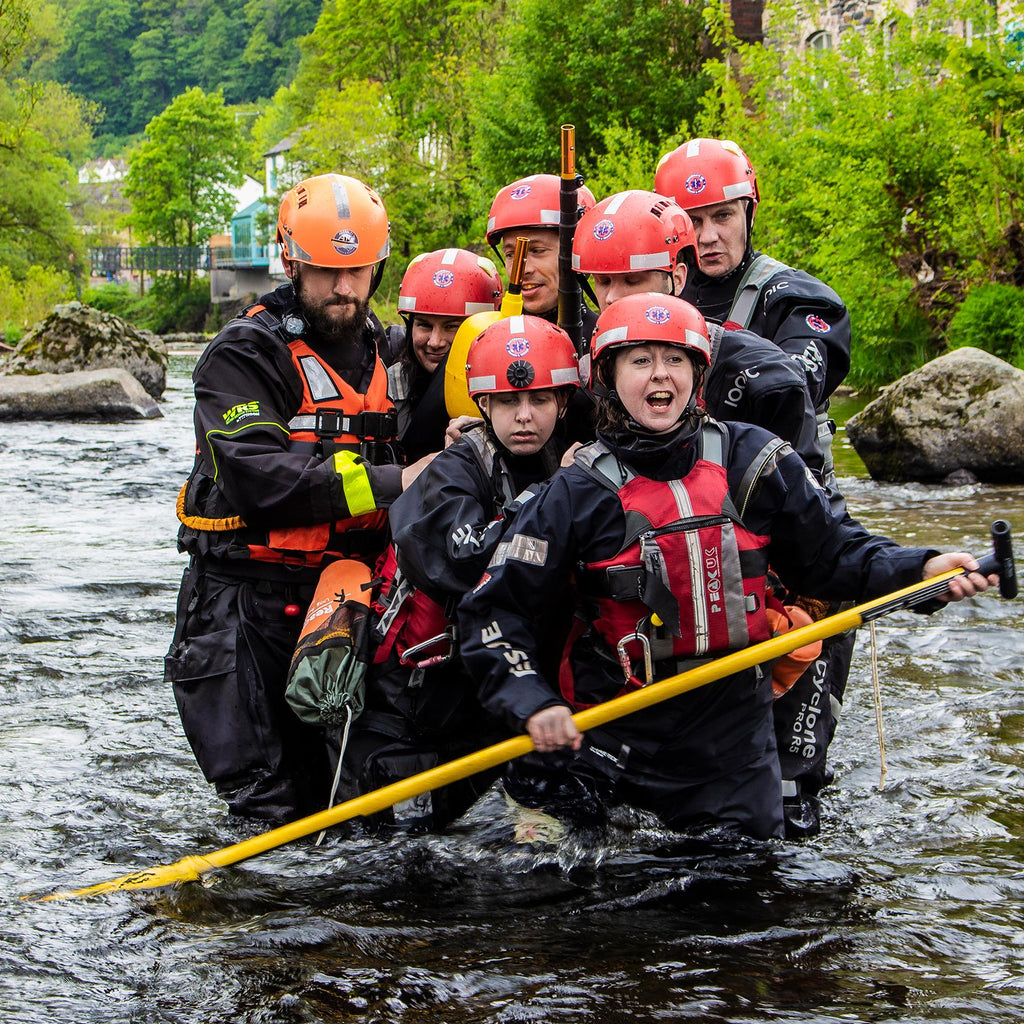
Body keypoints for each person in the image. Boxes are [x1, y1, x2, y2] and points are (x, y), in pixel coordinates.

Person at [458, 293, 993, 841]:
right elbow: (493, 613)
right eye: (639, 361)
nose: (659, 376)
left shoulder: (755, 461)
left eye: (674, 360)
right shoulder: (573, 492)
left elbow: (835, 557)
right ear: (609, 376)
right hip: (609, 742)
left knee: (746, 902)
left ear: (698, 373)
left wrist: (923, 569)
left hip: (731, 745)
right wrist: (532, 701)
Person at [166, 173, 425, 824]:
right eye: (325, 272)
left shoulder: (395, 350)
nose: (343, 289)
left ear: (378, 267)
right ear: (291, 263)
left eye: (358, 271)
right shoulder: (243, 355)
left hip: (344, 602)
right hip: (242, 612)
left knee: (367, 811)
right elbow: (260, 481)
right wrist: (397, 481)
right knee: (274, 812)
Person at [655, 139, 856, 835]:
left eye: (723, 217)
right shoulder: (646, 290)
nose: (709, 237)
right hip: (691, 547)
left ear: (749, 210)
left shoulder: (797, 300)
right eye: (693, 220)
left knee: (792, 776)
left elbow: (796, 380)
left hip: (791, 548)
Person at [334, 314, 581, 832]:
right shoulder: (452, 471)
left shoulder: (576, 463)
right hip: (413, 710)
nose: (525, 417)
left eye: (539, 401)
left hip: (503, 702)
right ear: (483, 404)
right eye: (509, 402)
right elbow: (467, 559)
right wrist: (556, 495)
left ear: (562, 403)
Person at [572, 189, 823, 481]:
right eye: (603, 282)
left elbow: (808, 502)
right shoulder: (585, 381)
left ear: (677, 279)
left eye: (631, 280)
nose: (613, 298)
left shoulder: (764, 374)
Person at [387, 248, 503, 461]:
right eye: (423, 325)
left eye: (451, 327)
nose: (435, 342)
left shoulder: (503, 392)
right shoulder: (386, 387)